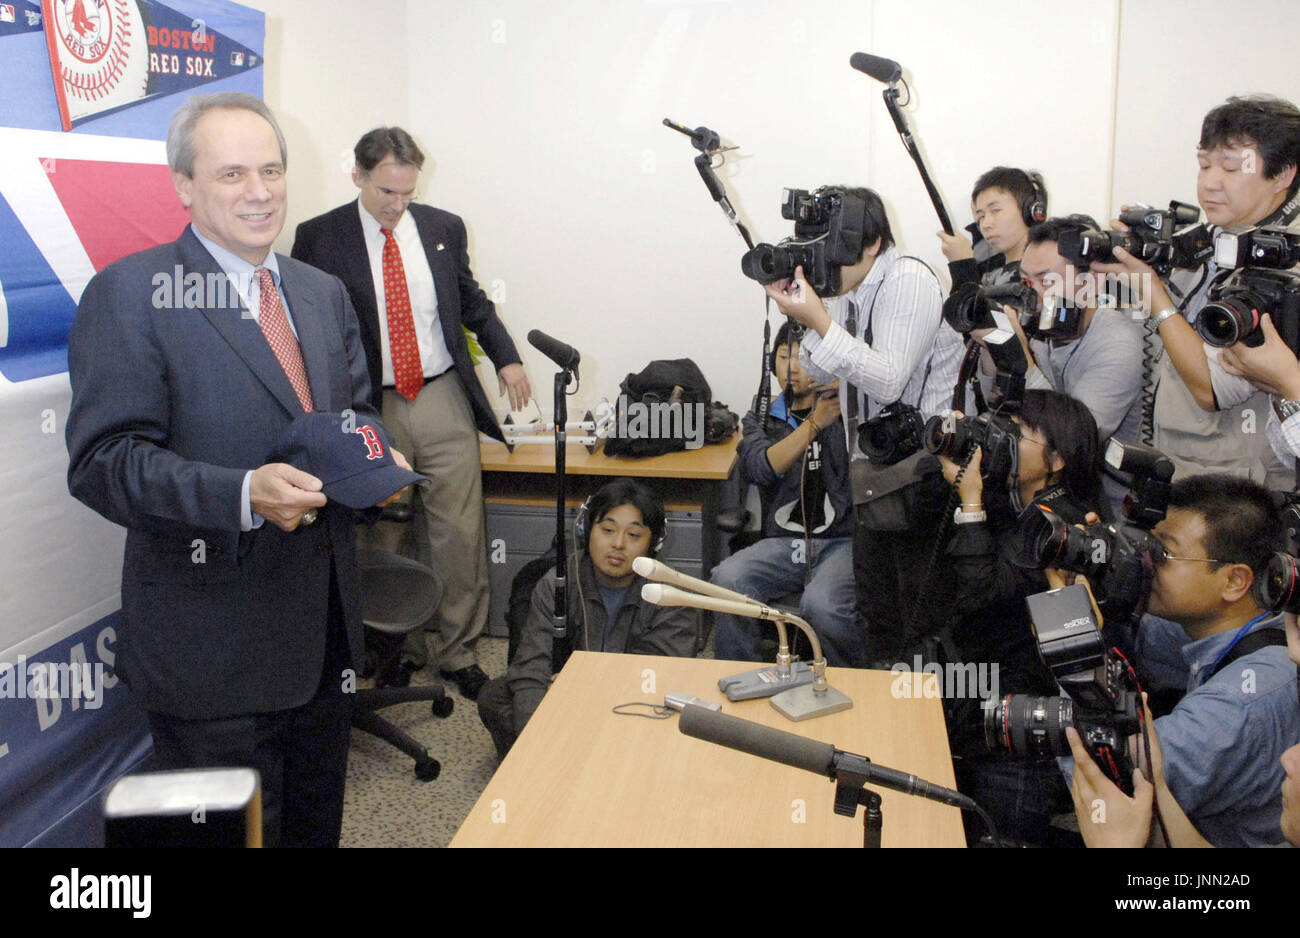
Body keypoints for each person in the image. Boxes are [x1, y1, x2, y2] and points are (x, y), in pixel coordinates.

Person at [64, 93, 395, 847]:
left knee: (313, 831)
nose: (260, 192)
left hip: (324, 643)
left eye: (271, 170)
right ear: (183, 185)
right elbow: (104, 464)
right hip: (210, 655)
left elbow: (355, 415)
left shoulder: (319, 292)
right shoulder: (131, 294)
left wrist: (375, 457)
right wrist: (242, 494)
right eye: (232, 173)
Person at [292, 127, 531, 700]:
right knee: (382, 530)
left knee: (459, 530)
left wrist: (507, 357)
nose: (397, 205)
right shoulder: (319, 238)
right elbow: (304, 326)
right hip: (371, 403)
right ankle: (390, 647)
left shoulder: (443, 229)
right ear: (358, 175)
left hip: (442, 393)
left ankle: (458, 651)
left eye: (407, 193)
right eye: (386, 192)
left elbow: (471, 300)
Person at [762, 186, 967, 664]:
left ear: (872, 243)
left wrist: (821, 322)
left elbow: (889, 381)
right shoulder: (847, 287)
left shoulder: (908, 279)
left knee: (921, 623)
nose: (825, 261)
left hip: (923, 473)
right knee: (879, 616)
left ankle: (926, 709)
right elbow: (817, 371)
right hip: (874, 474)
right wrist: (806, 317)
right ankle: (880, 703)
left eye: (833, 249)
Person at [1071, 475, 1298, 847]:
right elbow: (1140, 640)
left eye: (1162, 554)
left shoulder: (1239, 705)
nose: (1146, 563)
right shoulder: (1252, 621)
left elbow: (1103, 779)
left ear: (1234, 581)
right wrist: (1098, 572)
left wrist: (1070, 630)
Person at [1089, 95, 1300, 488]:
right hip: (1179, 462)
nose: (1209, 183)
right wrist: (1132, 255)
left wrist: (1154, 293)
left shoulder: (1286, 265)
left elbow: (1211, 388)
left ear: (1283, 175)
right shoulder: (1211, 240)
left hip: (1239, 488)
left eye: (1231, 168)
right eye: (1204, 165)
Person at [936, 390, 1103, 846]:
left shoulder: (1064, 528)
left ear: (1057, 460)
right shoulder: (1015, 500)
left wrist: (971, 500)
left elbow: (981, 596)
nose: (1003, 440)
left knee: (1003, 834)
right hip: (983, 694)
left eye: (1019, 433)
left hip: (1024, 728)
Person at [476, 480, 698, 758]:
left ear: (653, 543)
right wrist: (536, 741)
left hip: (630, 704)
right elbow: (532, 665)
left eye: (633, 535)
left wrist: (585, 687)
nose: (618, 544)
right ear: (586, 530)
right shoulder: (558, 583)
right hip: (567, 701)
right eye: (607, 530)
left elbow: (660, 679)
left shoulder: (670, 593)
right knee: (495, 696)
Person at [710, 320, 859, 666]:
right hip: (784, 544)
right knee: (726, 580)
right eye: (783, 356)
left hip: (842, 542)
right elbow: (760, 469)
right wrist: (815, 424)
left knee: (822, 605)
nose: (792, 367)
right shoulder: (760, 418)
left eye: (804, 357)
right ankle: (739, 675)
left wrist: (844, 395)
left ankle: (852, 681)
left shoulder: (849, 410)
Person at [937, 165, 1047, 289]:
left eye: (996, 210)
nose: (985, 224)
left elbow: (974, 303)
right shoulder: (996, 272)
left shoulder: (1040, 275)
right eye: (981, 216)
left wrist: (963, 265)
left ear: (1031, 212)